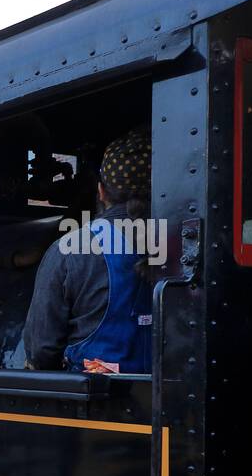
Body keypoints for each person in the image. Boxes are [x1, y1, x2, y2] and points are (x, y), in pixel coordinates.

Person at [24, 129, 155, 373]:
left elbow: (41, 351)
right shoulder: (183, 241)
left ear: (101, 191)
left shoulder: (69, 249)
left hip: (95, 403)